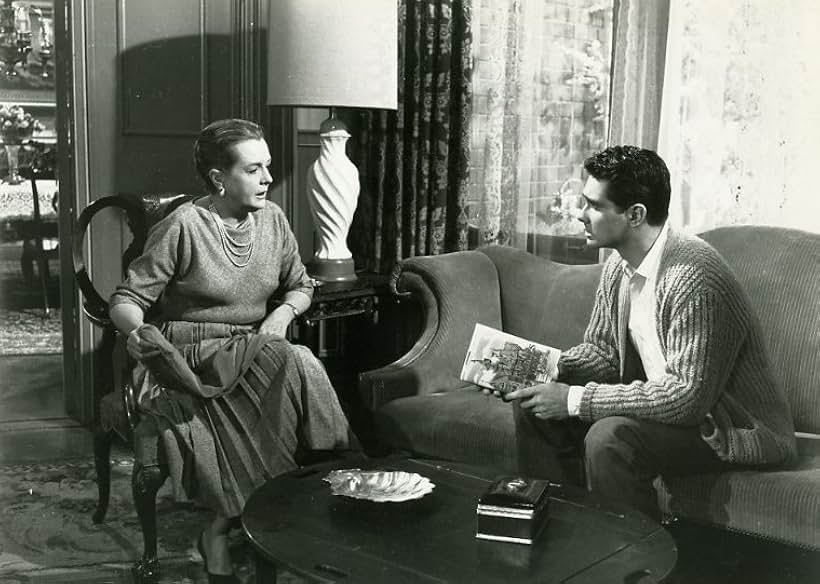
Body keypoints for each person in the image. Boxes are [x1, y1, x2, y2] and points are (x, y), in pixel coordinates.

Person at [109, 118, 354, 582]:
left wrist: (281, 316)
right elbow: (127, 299)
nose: (266, 179)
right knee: (292, 366)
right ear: (219, 178)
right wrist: (139, 334)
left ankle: (244, 516)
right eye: (253, 169)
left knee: (294, 358)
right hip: (188, 357)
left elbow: (301, 286)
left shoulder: (274, 220)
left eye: (267, 167)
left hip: (252, 349)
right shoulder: (183, 225)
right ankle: (327, 482)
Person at [501, 145, 796, 521]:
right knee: (534, 407)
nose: (580, 215)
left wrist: (575, 399)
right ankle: (562, 536)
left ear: (635, 214)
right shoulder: (618, 267)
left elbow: (687, 398)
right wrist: (544, 368)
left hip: (725, 427)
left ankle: (635, 569)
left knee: (610, 438)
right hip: (679, 413)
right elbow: (605, 355)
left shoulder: (694, 277)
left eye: (593, 205)